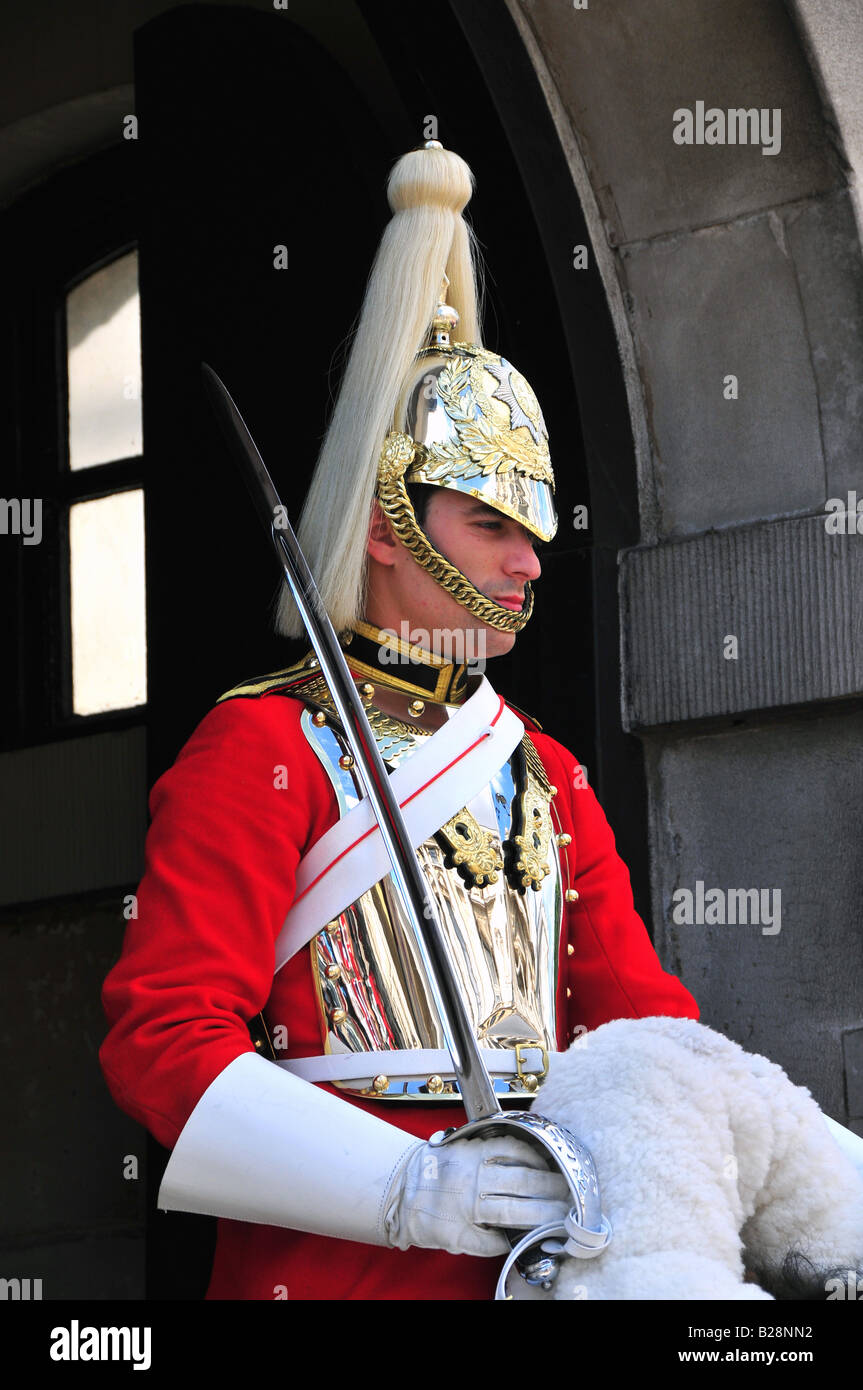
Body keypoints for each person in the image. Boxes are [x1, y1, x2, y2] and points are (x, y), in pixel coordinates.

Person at [99, 141, 699, 1301]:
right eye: (489, 523)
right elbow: (164, 1037)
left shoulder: (548, 771)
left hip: (541, 1262)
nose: (530, 562)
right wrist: (408, 1189)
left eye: (534, 531)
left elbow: (643, 1033)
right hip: (336, 1269)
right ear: (388, 526)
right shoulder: (263, 747)